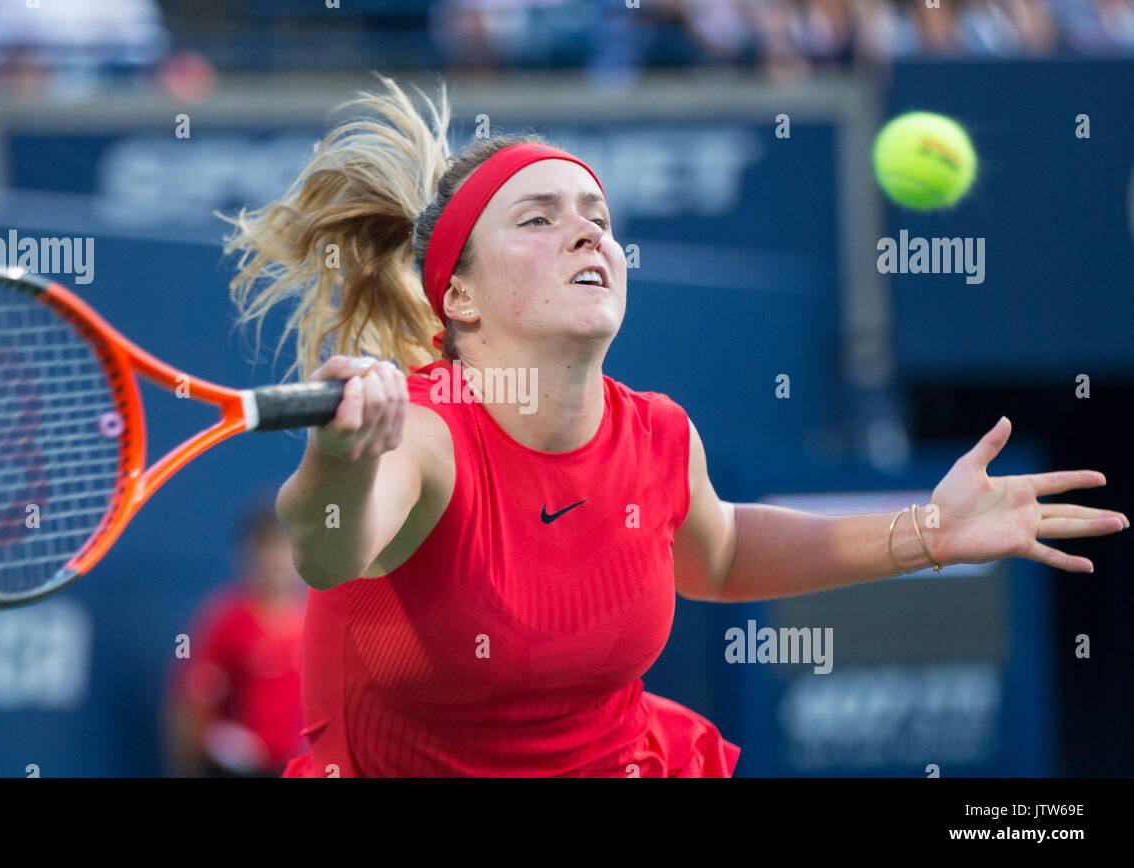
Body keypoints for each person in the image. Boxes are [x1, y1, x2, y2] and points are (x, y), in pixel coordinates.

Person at [221, 75, 1128, 777]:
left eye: (598, 220)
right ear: (458, 296)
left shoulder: (658, 435)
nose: (587, 237)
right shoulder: (424, 433)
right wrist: (341, 452)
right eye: (538, 220)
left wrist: (925, 534)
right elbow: (327, 552)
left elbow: (720, 552)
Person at [164, 501, 306, 777]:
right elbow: (189, 707)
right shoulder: (224, 621)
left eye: (286, 546)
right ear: (249, 553)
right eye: (268, 547)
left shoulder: (320, 621)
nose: (277, 559)